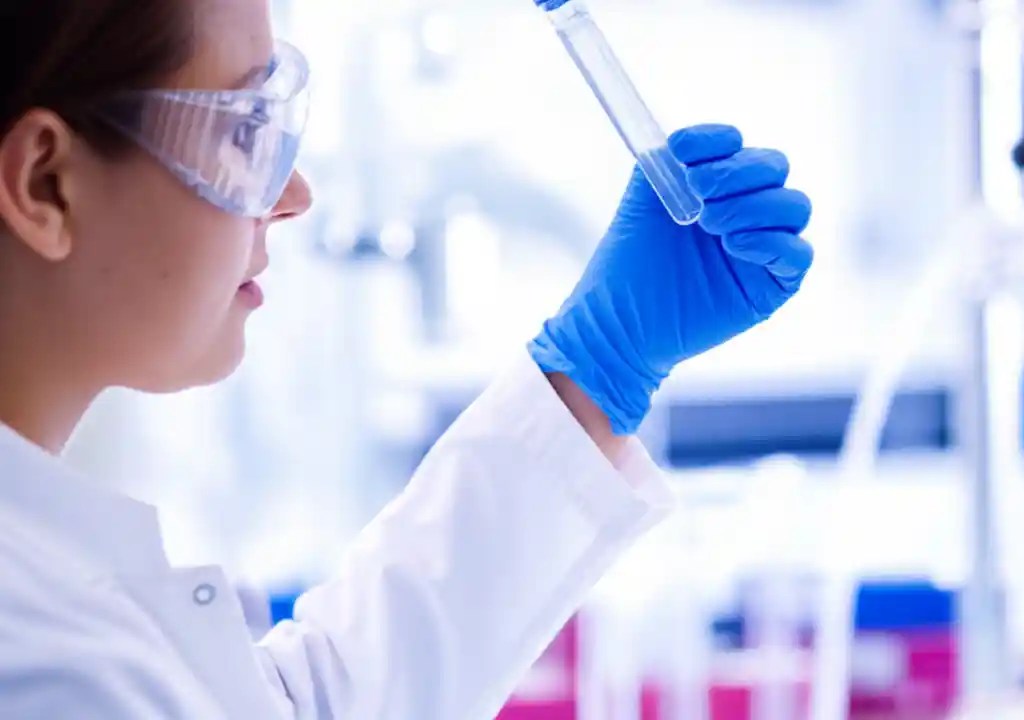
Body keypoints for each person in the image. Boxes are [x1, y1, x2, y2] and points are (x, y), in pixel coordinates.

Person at [0, 0, 814, 717]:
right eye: (243, 128)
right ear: (47, 185)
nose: (292, 196)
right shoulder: (44, 669)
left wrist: (597, 367)